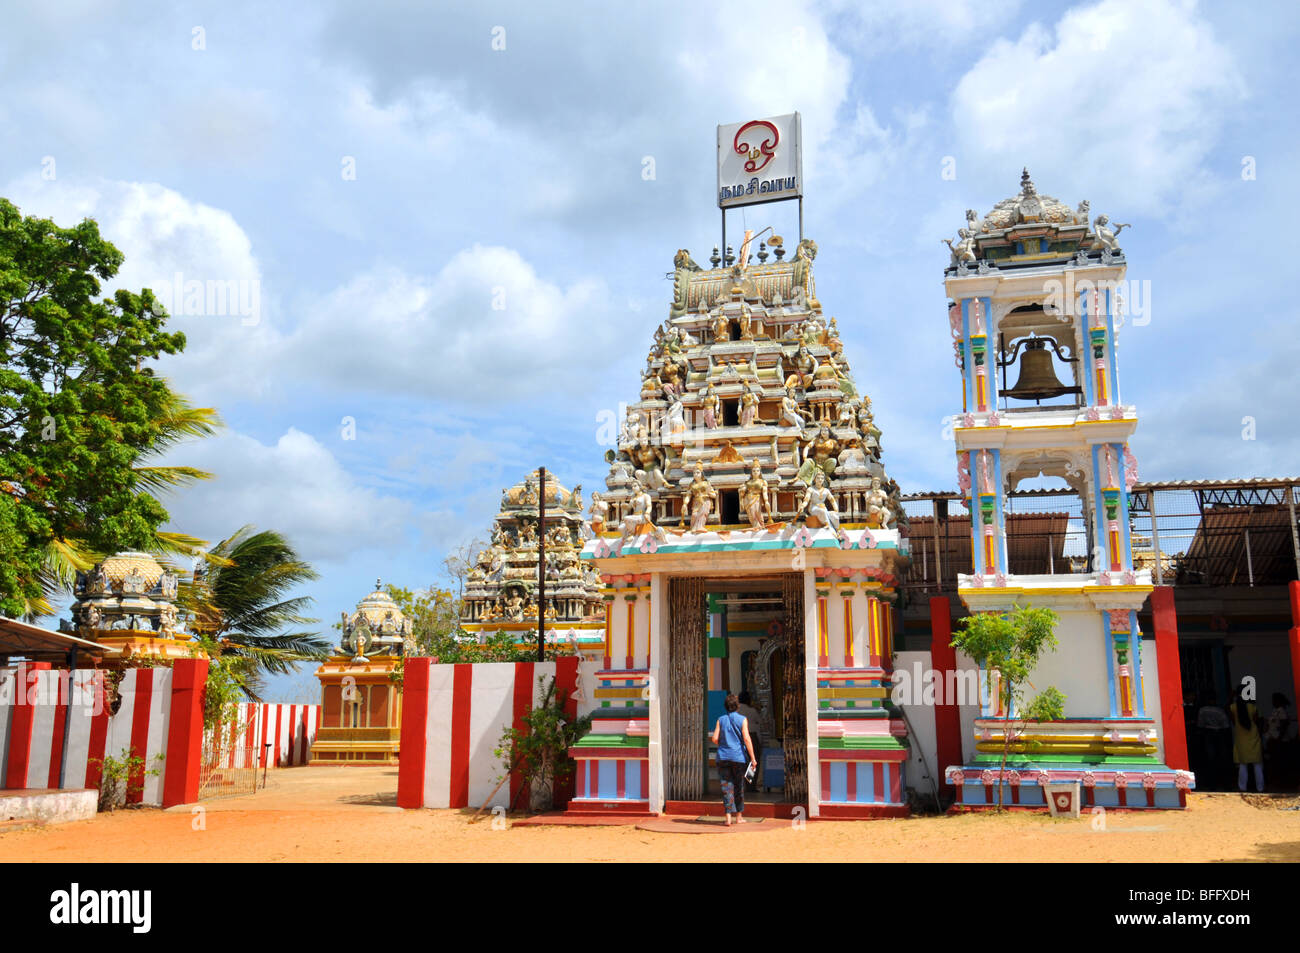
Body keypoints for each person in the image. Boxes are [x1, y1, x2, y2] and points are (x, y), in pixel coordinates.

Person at [710, 693, 757, 826]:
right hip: (738, 758)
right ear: (737, 706)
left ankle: (728, 818)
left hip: (723, 757)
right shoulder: (742, 719)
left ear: (726, 706)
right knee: (739, 786)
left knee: (726, 787)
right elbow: (747, 739)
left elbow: (714, 738)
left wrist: (724, 745)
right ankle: (739, 817)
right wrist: (753, 758)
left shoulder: (721, 719)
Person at [1228, 685, 1264, 793]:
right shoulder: (1253, 707)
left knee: (1242, 765)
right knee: (1257, 764)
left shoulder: (1233, 707)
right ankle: (1260, 788)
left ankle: (1242, 788)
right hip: (1253, 736)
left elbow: (1233, 722)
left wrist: (1231, 696)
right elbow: (1256, 721)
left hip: (1240, 737)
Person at [736, 691, 764, 790]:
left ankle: (741, 784)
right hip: (752, 737)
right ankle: (750, 785)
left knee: (741, 761)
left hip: (739, 737)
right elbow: (760, 722)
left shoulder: (736, 711)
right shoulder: (752, 711)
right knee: (753, 761)